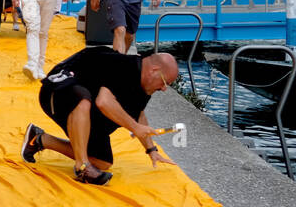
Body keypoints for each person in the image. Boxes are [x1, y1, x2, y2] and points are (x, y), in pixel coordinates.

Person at [21, 48, 179, 185]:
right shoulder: (124, 66)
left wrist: (151, 149)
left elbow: (139, 113)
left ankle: (39, 139)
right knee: (82, 99)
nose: (164, 89)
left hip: (85, 107)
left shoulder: (146, 86)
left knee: (102, 161)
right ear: (154, 70)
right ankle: (82, 167)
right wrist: (135, 128)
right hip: (56, 91)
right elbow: (104, 102)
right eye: (165, 82)